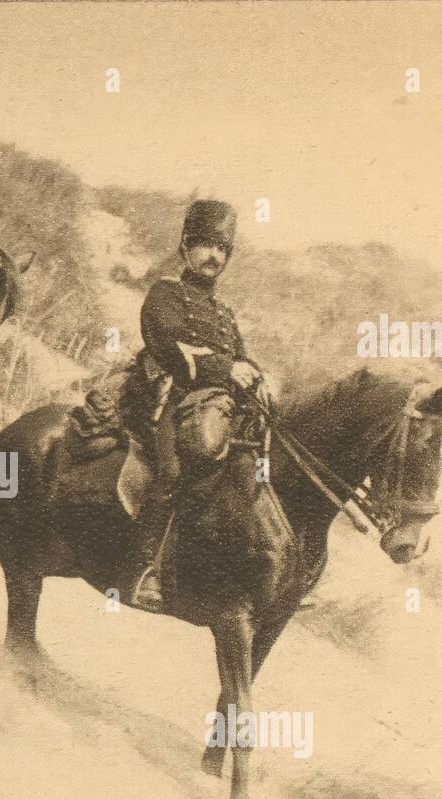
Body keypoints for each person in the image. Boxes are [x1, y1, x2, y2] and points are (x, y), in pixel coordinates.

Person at [127, 199, 269, 610]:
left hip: (222, 407)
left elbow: (240, 355)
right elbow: (167, 342)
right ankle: (144, 571)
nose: (214, 256)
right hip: (172, 397)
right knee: (173, 471)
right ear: (185, 249)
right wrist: (225, 369)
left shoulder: (224, 312)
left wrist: (256, 376)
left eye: (222, 249)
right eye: (205, 245)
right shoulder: (166, 293)